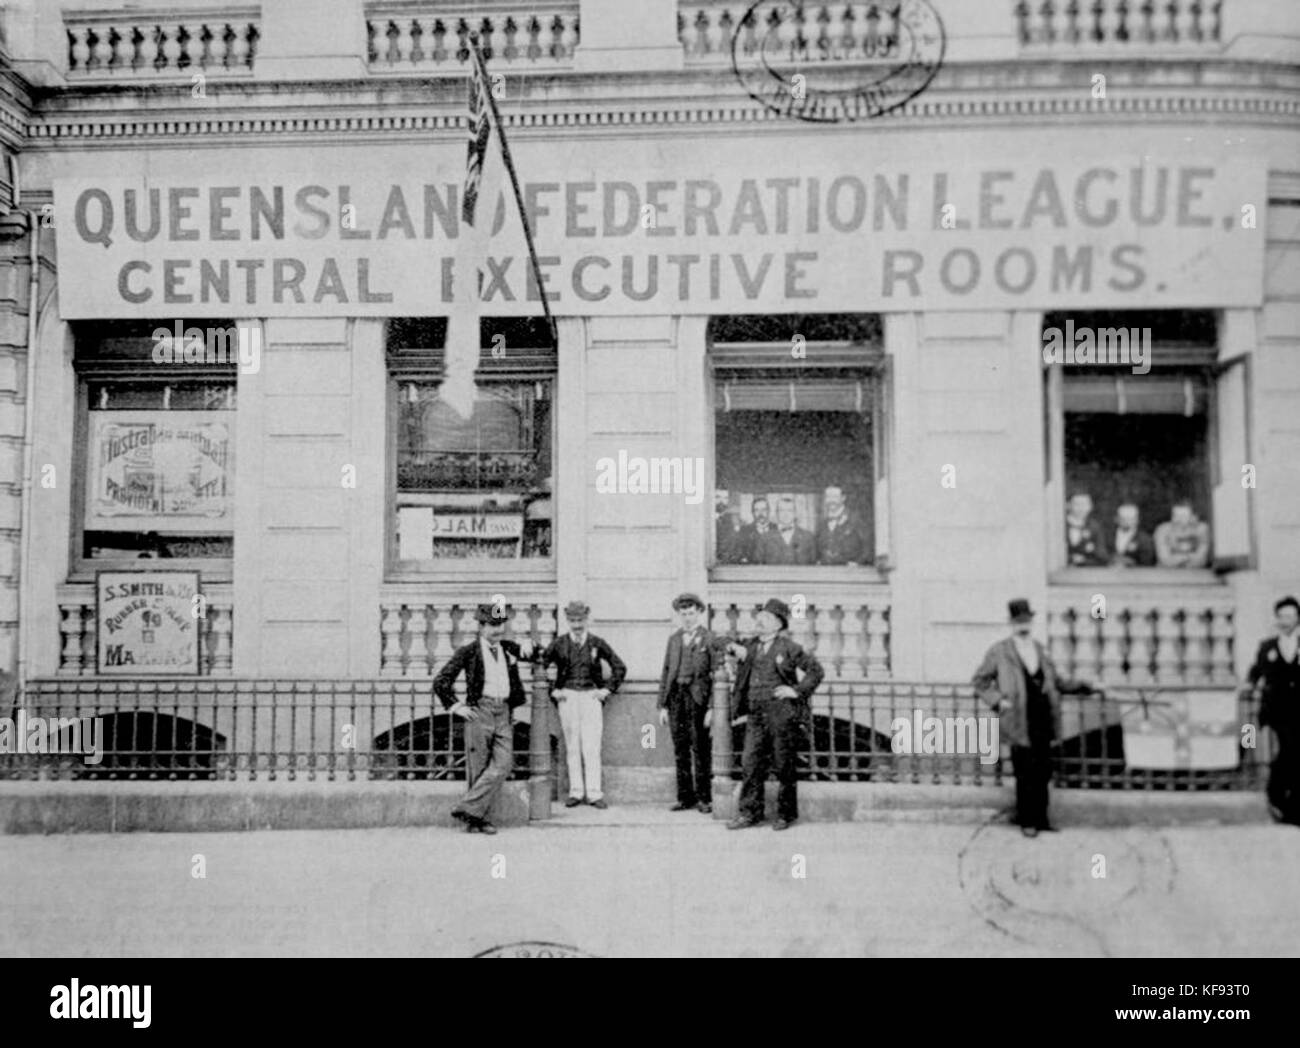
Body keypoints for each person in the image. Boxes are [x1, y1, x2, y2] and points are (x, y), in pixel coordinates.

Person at [971, 598, 1093, 837]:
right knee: (1024, 771)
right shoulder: (1000, 651)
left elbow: (1058, 682)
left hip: (1043, 718)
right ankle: (1027, 821)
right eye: (1018, 621)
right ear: (1011, 623)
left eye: (1026, 620)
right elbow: (980, 681)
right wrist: (998, 701)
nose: (1023, 625)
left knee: (1043, 770)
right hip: (1018, 720)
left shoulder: (1039, 649)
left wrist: (1087, 686)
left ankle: (1042, 819)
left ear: (1032, 622)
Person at [726, 598, 824, 831]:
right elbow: (720, 642)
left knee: (784, 766)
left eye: (767, 618)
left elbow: (816, 671)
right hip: (755, 715)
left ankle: (786, 815)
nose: (760, 621)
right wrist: (732, 647)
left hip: (781, 714)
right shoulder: (749, 646)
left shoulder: (789, 648)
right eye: (759, 617)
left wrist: (796, 691)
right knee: (750, 764)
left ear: (779, 625)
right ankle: (750, 813)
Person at [433, 604, 530, 834]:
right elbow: (441, 681)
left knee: (504, 763)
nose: (498, 630)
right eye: (493, 625)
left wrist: (529, 644)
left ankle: (466, 808)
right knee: (478, 767)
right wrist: (456, 706)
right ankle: (477, 821)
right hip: (481, 711)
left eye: (501, 625)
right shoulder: (469, 651)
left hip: (504, 711)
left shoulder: (508, 648)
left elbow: (537, 654)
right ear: (482, 626)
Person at [540, 600, 626, 809]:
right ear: (567, 620)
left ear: (586, 619)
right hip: (568, 697)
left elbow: (619, 667)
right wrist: (553, 690)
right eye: (572, 620)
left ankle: (595, 793)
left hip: (590, 696)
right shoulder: (559, 643)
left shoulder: (597, 643)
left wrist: (606, 690)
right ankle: (576, 792)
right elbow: (540, 666)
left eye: (580, 620)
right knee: (572, 745)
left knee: (592, 746)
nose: (576, 625)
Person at [658, 593, 722, 813]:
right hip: (676, 697)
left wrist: (712, 708)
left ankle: (705, 798)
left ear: (699, 613)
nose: (687, 618)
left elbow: (717, 674)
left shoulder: (709, 638)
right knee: (680, 749)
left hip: (698, 700)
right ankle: (685, 797)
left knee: (701, 749)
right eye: (683, 614)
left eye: (691, 613)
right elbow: (666, 672)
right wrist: (663, 706)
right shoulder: (674, 639)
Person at [1249, 596, 1300, 825]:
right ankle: (1277, 795)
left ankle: (1288, 804)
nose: (1285, 620)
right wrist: (1250, 684)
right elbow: (1255, 672)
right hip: (1278, 710)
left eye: (1290, 616)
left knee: (1293, 754)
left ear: (1298, 618)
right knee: (1289, 750)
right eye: (1281, 616)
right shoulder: (1267, 646)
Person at [814, 485, 869, 565]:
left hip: (851, 573)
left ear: (843, 498)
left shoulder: (856, 520)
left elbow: (867, 547)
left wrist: (858, 563)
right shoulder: (821, 524)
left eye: (835, 497)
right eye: (828, 497)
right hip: (826, 573)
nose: (831, 500)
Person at [756, 497, 816, 566]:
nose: (786, 514)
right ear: (776, 513)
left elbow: (814, 565)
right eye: (782, 510)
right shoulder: (765, 538)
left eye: (790, 510)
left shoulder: (808, 537)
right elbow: (758, 566)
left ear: (795, 513)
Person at [1154, 500, 1211, 567]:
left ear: (1193, 517)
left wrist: (1176, 558)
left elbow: (1201, 561)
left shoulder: (1202, 530)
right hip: (1165, 574)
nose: (1177, 520)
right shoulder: (1163, 530)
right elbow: (1165, 561)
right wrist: (1190, 557)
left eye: (1183, 516)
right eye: (1175, 515)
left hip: (1195, 574)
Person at [1064, 492, 1106, 566]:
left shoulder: (1094, 527)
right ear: (1068, 505)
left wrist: (1084, 560)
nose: (1081, 508)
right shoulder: (1061, 525)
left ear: (1090, 507)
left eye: (1085, 504)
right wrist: (1070, 558)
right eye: (1077, 504)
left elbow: (1102, 556)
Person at [1109, 502, 1155, 567]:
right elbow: (1102, 554)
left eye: (1130, 518)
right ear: (1117, 519)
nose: (1126, 521)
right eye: (1123, 518)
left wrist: (1129, 562)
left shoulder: (1144, 539)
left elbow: (1147, 561)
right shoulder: (1108, 535)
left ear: (1137, 520)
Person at [736, 496, 775, 564]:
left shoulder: (776, 529)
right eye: (756, 510)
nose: (760, 513)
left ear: (769, 511)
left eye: (764, 509)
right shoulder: (744, 531)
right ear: (752, 512)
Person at [715, 490, 744, 564]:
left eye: (725, 498)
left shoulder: (730, 520)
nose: (722, 501)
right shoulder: (704, 521)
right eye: (717, 497)